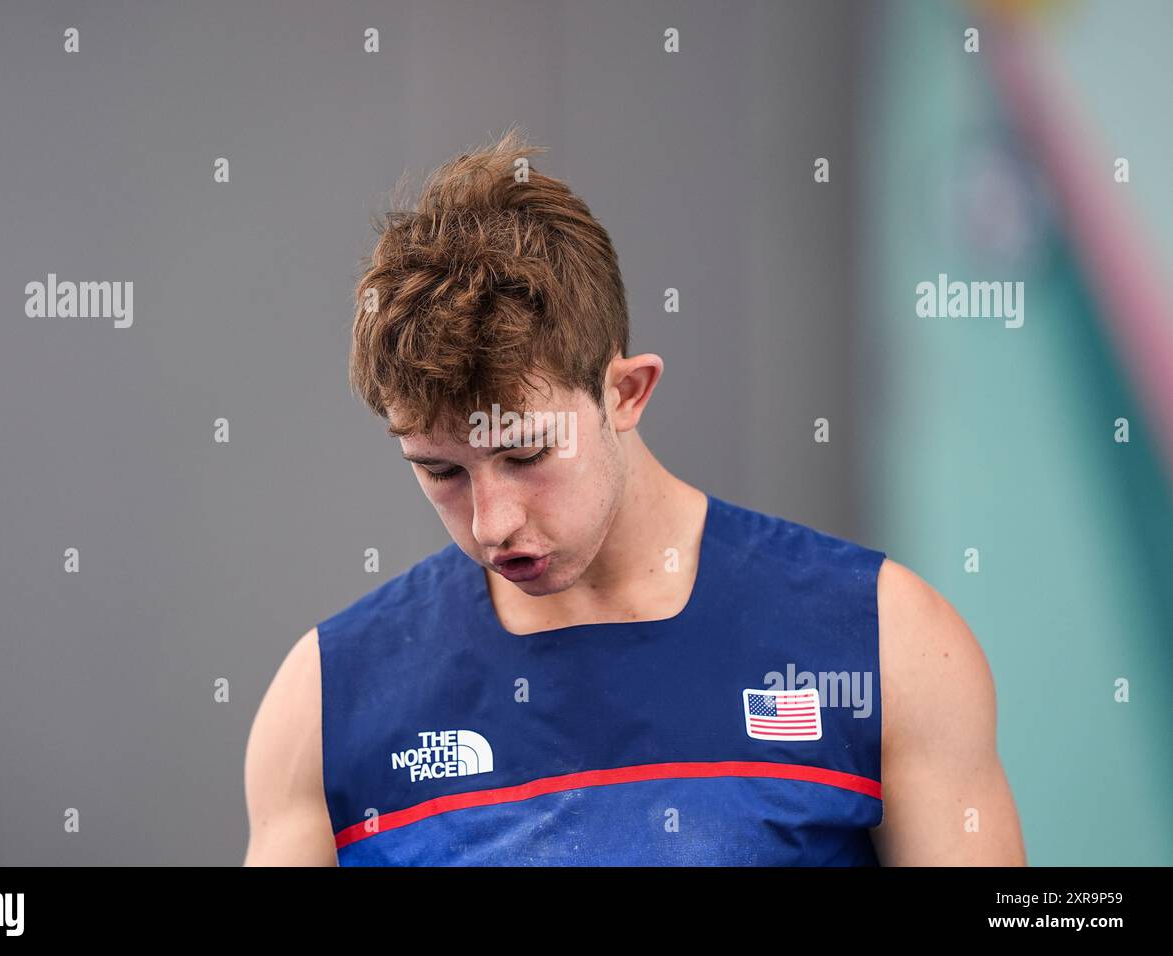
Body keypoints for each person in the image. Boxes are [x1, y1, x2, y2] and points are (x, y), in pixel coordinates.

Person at [243, 127, 1027, 866]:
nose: (492, 524)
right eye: (441, 471)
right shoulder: (324, 701)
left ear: (626, 392)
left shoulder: (888, 642)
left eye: (525, 453)